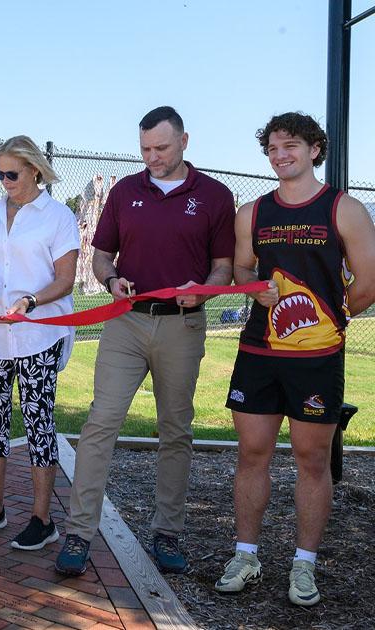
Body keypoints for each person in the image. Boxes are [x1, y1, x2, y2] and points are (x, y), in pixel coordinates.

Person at [55, 106, 235, 575]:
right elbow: (100, 257)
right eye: (145, 150)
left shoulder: (215, 196)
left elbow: (223, 266)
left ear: (185, 141)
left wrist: (207, 290)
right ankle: (78, 533)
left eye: (161, 148)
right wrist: (111, 279)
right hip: (127, 324)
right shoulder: (125, 191)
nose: (152, 158)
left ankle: (167, 531)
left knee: (175, 429)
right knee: (100, 423)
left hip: (183, 326)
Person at [214, 113, 375, 606]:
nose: (280, 155)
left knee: (311, 459)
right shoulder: (252, 213)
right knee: (251, 454)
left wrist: (331, 320)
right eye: (272, 148)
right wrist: (253, 289)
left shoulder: (343, 209)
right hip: (259, 350)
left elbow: (367, 282)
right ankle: (246, 556)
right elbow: (242, 269)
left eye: (290, 146)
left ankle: (304, 565)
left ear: (314, 150)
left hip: (317, 357)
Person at [0, 136, 78, 550]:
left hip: (38, 334)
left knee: (37, 423)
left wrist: (32, 300)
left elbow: (64, 278)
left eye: (12, 173)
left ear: (34, 170)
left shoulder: (58, 217)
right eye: (0, 173)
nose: (5, 180)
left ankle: (42, 520)